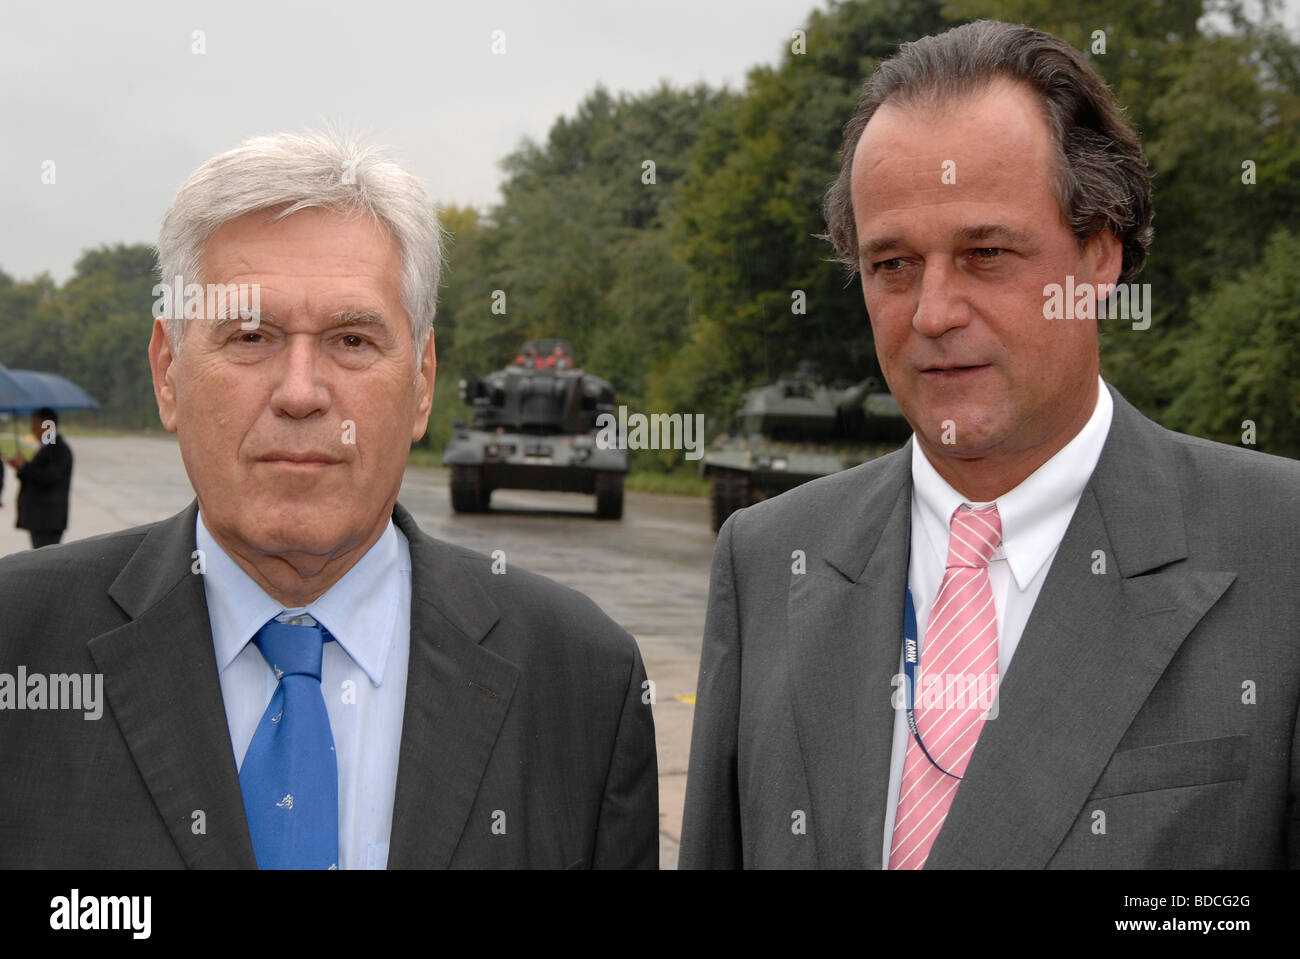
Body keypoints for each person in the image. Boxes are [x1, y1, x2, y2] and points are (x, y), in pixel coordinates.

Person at [680, 20, 1300, 869]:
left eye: (986, 253)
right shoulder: (766, 559)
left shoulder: (1281, 548)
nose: (933, 312)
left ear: (1100, 257)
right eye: (892, 264)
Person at [0, 132, 657, 869]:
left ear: (422, 382)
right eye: (250, 335)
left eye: (351, 339)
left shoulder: (584, 682)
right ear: (167, 371)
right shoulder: (15, 644)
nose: (302, 393)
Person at [4, 407, 74, 548]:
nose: (33, 430)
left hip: (48, 519)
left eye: (35, 426)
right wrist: (22, 466)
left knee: (45, 560)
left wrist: (24, 467)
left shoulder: (59, 449)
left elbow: (48, 477)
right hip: (40, 519)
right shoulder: (47, 448)